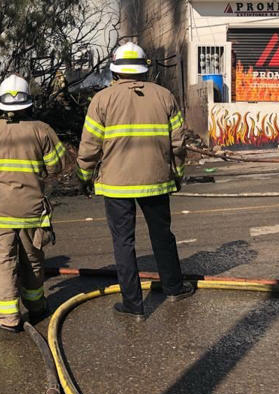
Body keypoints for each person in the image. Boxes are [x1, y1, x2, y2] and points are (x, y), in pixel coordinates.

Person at [76, 42, 195, 322]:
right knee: (162, 235)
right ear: (144, 69)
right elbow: (178, 144)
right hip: (156, 181)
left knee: (123, 242)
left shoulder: (101, 100)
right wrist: (177, 173)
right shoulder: (164, 96)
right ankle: (174, 288)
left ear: (115, 70)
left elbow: (89, 146)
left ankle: (133, 305)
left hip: (116, 185)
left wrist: (84, 176)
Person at [0, 75, 66, 332]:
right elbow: (57, 166)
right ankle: (36, 307)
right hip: (31, 212)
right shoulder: (42, 130)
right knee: (32, 261)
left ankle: (8, 318)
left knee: (2, 264)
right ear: (28, 101)